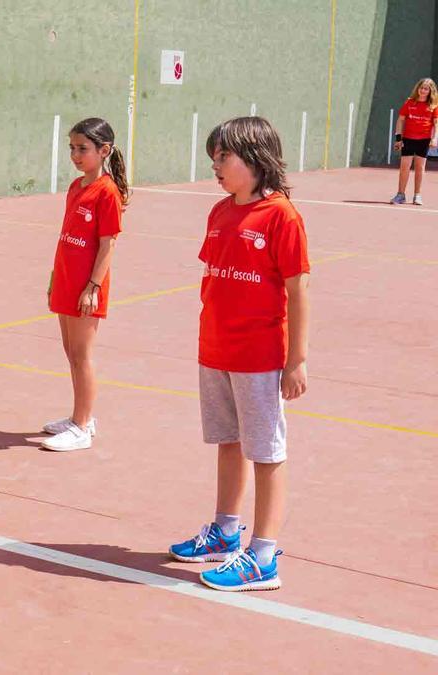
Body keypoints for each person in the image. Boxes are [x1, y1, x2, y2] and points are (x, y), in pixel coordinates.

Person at [168, 117, 310, 592]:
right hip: (216, 348)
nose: (216, 166)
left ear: (255, 159)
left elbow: (298, 290)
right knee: (228, 440)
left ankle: (264, 556)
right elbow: (215, 276)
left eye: (223, 157)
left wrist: (297, 359)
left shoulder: (280, 216)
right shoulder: (220, 211)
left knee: (266, 451)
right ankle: (226, 532)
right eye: (213, 158)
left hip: (259, 355)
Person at [40, 118, 127, 452]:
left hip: (86, 287)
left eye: (83, 149)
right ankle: (80, 417)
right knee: (70, 352)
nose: (75, 155)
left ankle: (82, 427)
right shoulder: (77, 187)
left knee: (82, 355)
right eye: (72, 148)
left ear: (104, 151)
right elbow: (67, 237)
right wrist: (54, 279)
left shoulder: (107, 192)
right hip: (65, 279)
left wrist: (92, 287)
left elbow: (108, 245)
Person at [390, 77, 438, 205]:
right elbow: (400, 120)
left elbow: (436, 123)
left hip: (424, 140)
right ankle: (401, 194)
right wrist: (398, 139)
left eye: (426, 89)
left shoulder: (433, 106)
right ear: (418, 89)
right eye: (421, 88)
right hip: (408, 139)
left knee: (419, 167)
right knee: (404, 166)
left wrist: (435, 138)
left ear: (430, 91)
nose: (423, 91)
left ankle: (417, 195)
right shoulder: (409, 102)